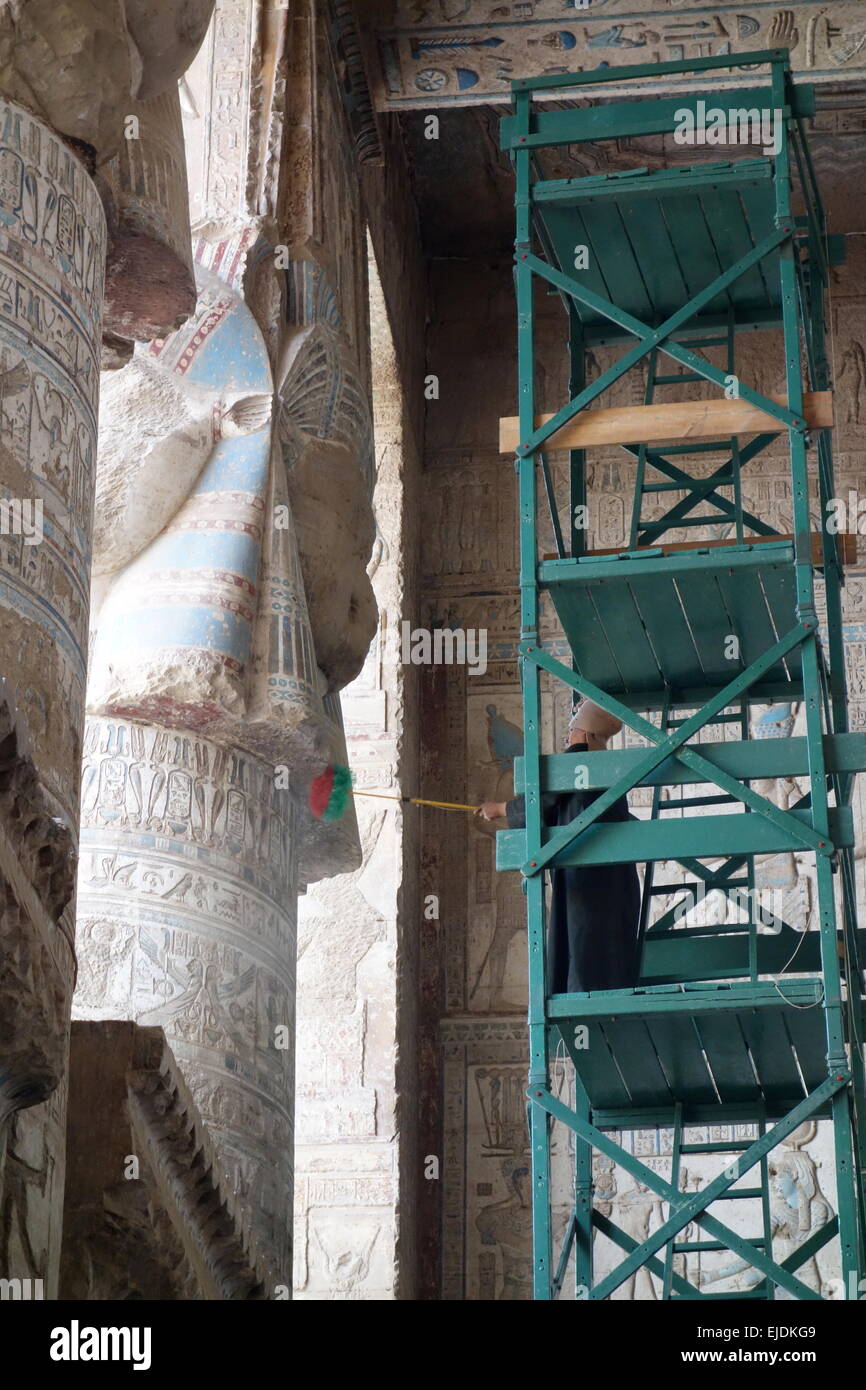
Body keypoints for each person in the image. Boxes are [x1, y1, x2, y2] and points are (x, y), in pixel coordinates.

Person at [476, 699, 641, 993]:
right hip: (612, 881)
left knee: (581, 945)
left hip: (585, 879)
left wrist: (500, 809)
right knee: (605, 947)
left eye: (573, 730)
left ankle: (579, 998)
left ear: (586, 735)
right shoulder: (609, 770)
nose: (568, 737)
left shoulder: (578, 760)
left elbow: (544, 801)